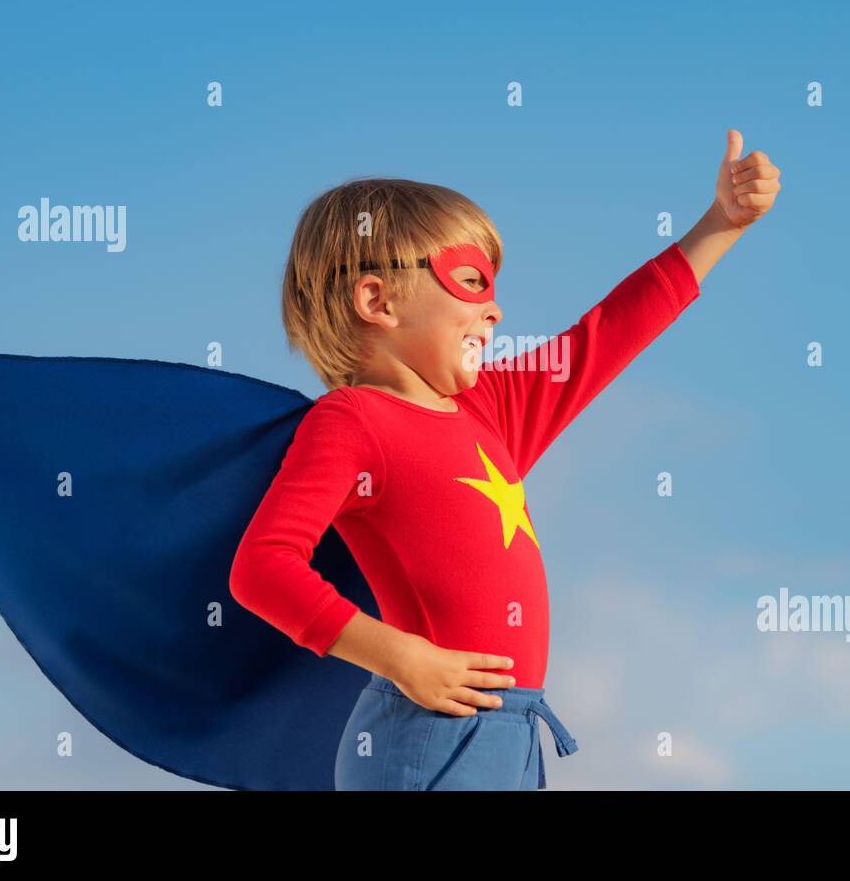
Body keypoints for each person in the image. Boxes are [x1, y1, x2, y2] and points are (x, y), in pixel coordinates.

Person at [229, 129, 782, 789]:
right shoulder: (353, 421)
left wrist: (721, 223)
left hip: (513, 733)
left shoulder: (492, 408)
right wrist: (402, 656)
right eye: (469, 279)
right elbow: (261, 567)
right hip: (427, 732)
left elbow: (607, 333)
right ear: (378, 301)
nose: (494, 306)